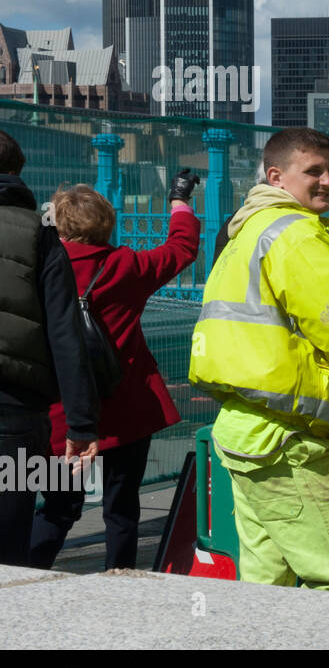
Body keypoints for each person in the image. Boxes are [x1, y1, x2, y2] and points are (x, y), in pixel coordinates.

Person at [189, 127, 329, 592]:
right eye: (313, 171)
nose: (328, 181)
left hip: (243, 430)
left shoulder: (246, 232)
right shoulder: (295, 235)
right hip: (284, 439)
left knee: (265, 581)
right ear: (277, 176)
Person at [28, 176, 200, 570]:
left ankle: (25, 579)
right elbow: (182, 247)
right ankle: (119, 581)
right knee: (121, 510)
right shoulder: (128, 266)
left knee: (56, 509)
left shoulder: (39, 268)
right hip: (127, 412)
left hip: (62, 416)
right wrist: (179, 202)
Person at [0, 131, 98, 567]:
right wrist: (80, 426)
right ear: (18, 171)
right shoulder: (40, 236)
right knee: (9, 543)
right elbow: (65, 333)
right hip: (17, 412)